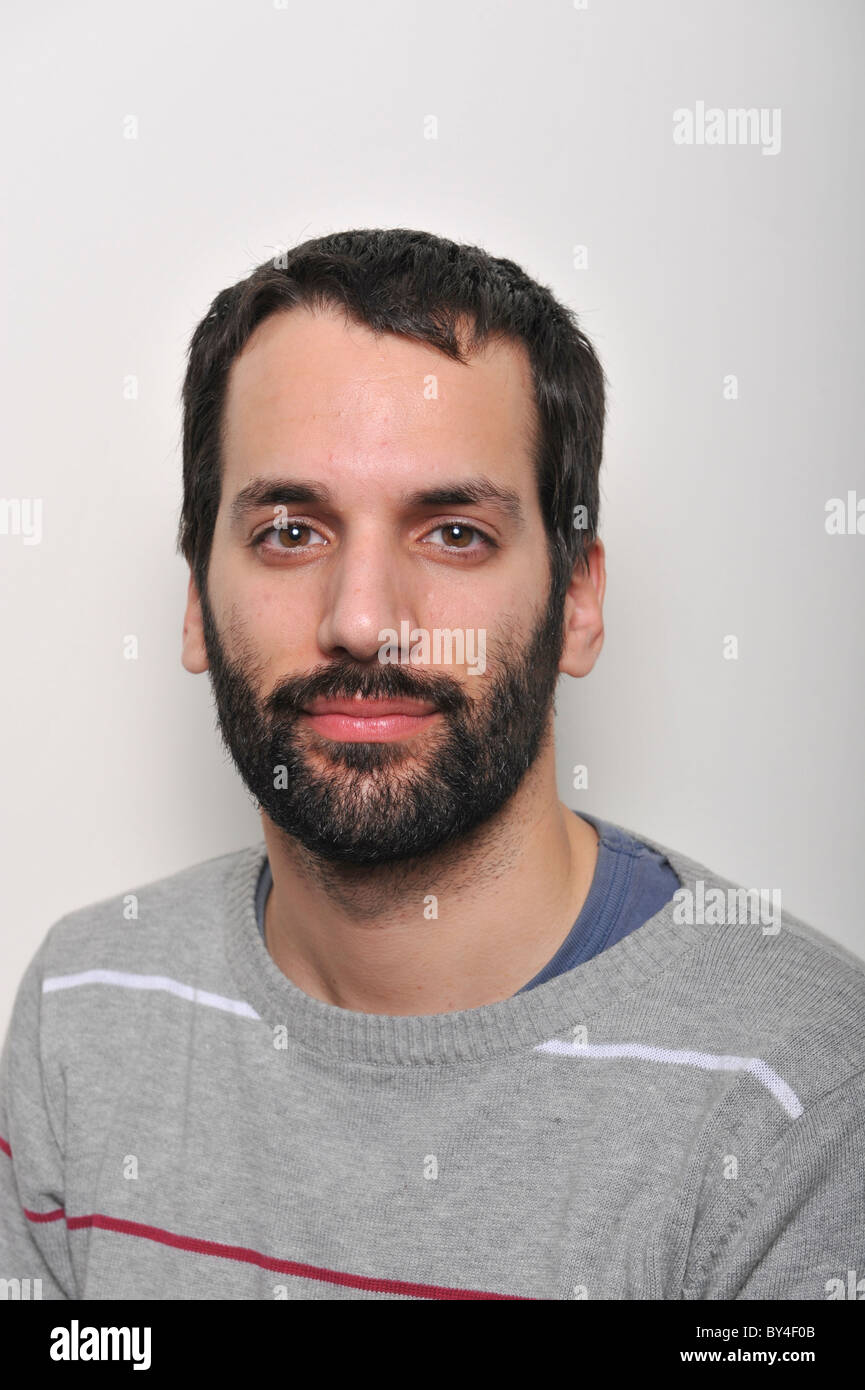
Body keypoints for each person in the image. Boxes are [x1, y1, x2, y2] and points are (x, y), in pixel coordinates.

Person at [2, 228, 863, 1301]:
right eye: (288, 530)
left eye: (454, 532)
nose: (364, 622)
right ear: (194, 600)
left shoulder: (804, 1096)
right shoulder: (84, 1009)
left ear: (578, 603)